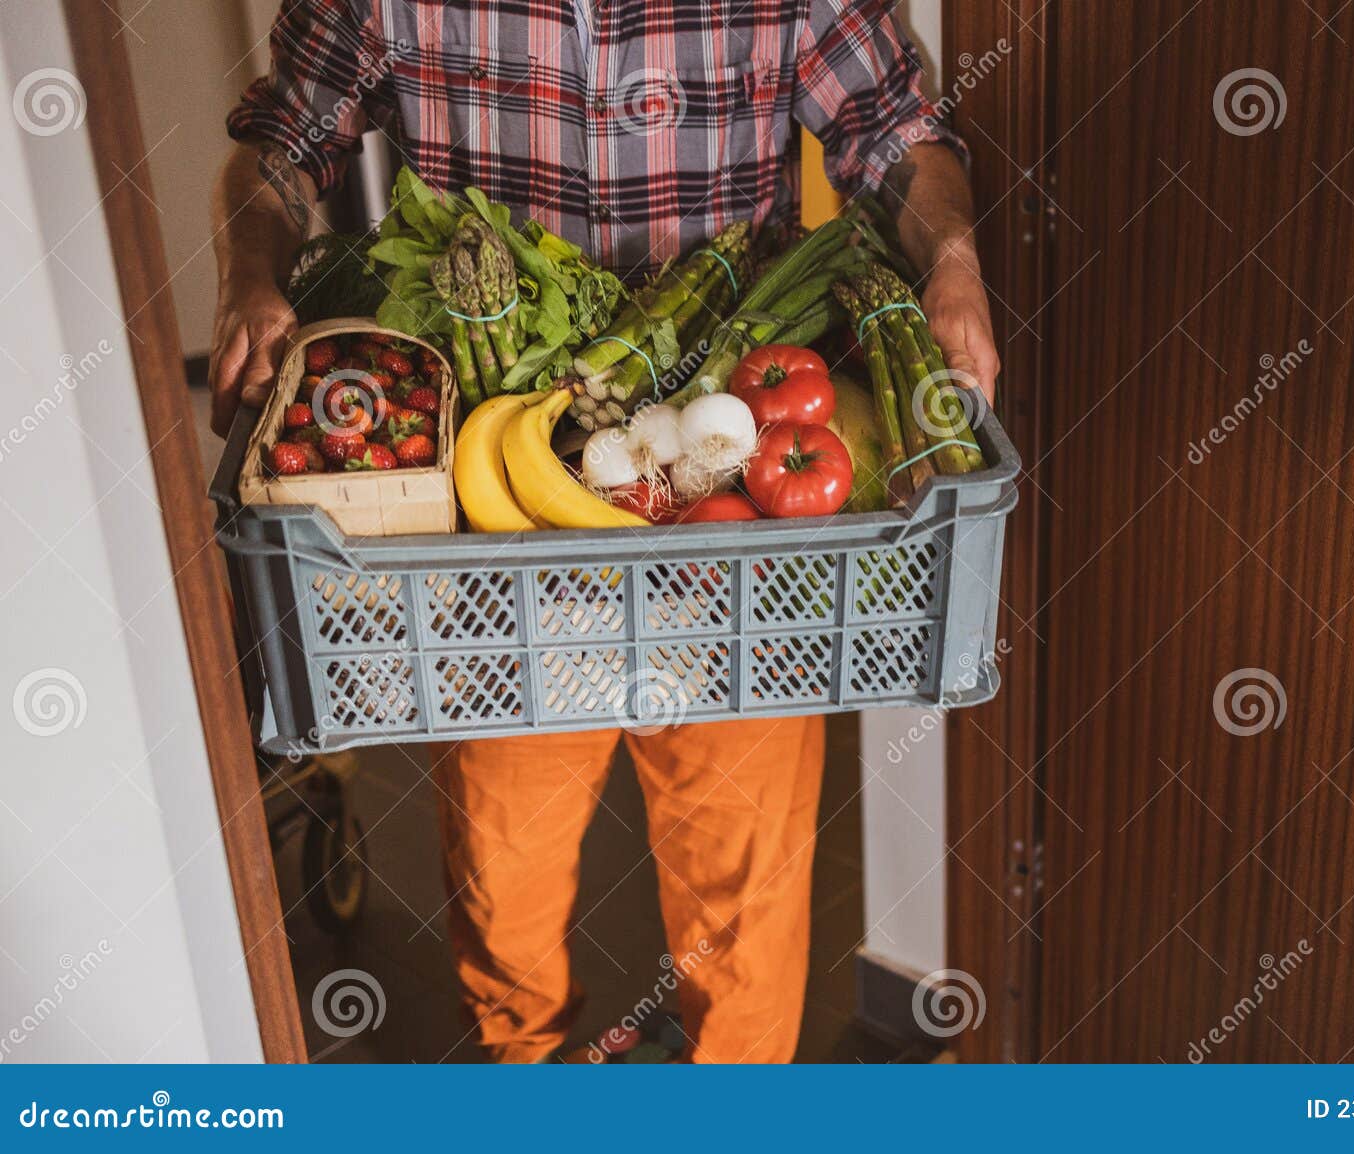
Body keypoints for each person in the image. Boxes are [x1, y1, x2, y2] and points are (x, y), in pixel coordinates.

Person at [212, 0, 999, 1064]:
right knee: (504, 895)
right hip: (502, 521)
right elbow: (284, 142)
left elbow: (898, 133)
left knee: (745, 908)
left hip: (727, 504)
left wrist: (950, 258)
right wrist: (246, 273)